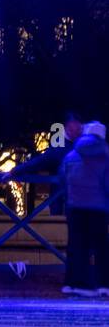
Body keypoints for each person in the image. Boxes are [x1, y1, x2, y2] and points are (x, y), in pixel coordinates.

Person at [60, 120, 109, 297]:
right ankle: (103, 284)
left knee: (76, 246)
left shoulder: (71, 155)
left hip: (75, 207)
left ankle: (73, 284)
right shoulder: (106, 155)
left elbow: (63, 179)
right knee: (101, 247)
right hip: (99, 208)